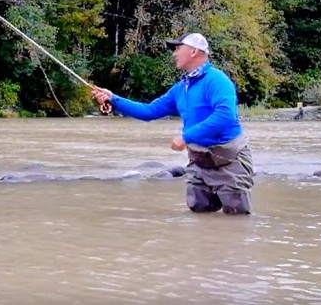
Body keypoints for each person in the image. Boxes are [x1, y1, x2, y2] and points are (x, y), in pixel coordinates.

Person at [91, 32, 253, 215]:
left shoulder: (217, 80)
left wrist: (186, 137)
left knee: (237, 218)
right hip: (200, 161)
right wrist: (113, 98)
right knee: (200, 212)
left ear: (193, 51)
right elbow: (149, 112)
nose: (174, 54)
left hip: (230, 160)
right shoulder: (180, 88)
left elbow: (225, 116)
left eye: (177, 48)